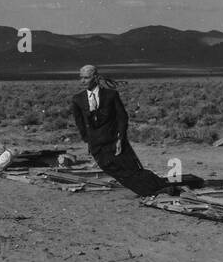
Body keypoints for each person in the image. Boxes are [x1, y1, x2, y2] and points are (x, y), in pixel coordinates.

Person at [70, 65, 173, 196]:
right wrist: (89, 141)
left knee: (132, 168)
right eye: (81, 78)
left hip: (114, 140)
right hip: (97, 145)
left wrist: (120, 139)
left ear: (95, 78)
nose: (82, 81)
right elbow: (80, 124)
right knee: (115, 171)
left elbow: (122, 117)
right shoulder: (77, 99)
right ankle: (155, 188)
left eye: (86, 78)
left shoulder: (110, 95)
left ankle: (157, 189)